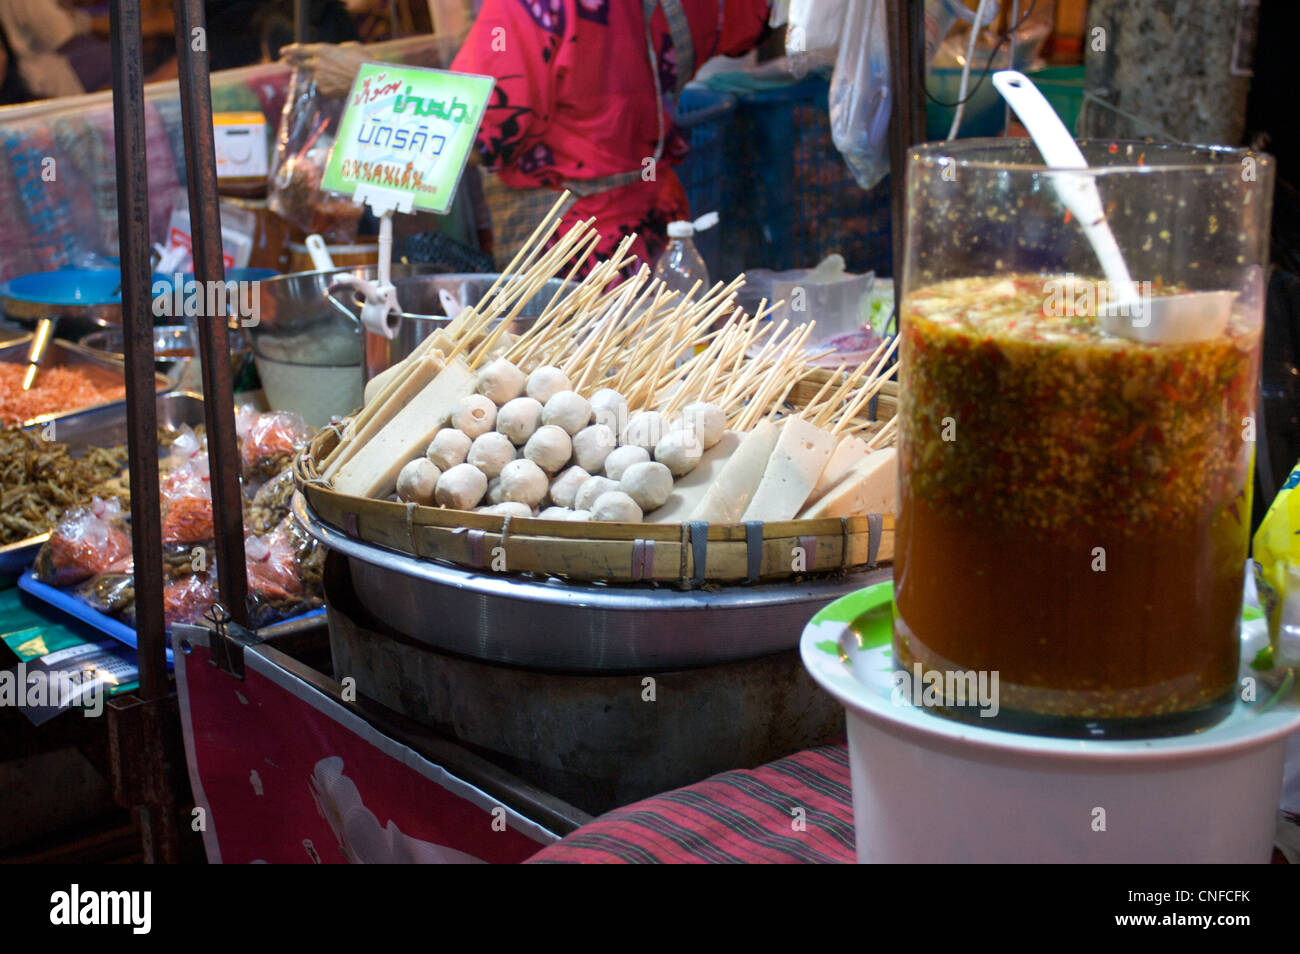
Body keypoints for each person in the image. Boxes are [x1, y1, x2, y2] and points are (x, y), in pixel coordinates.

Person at [451, 0, 770, 276]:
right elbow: (753, 24)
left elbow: (482, 131)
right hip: (660, 243)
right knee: (662, 344)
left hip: (574, 256)